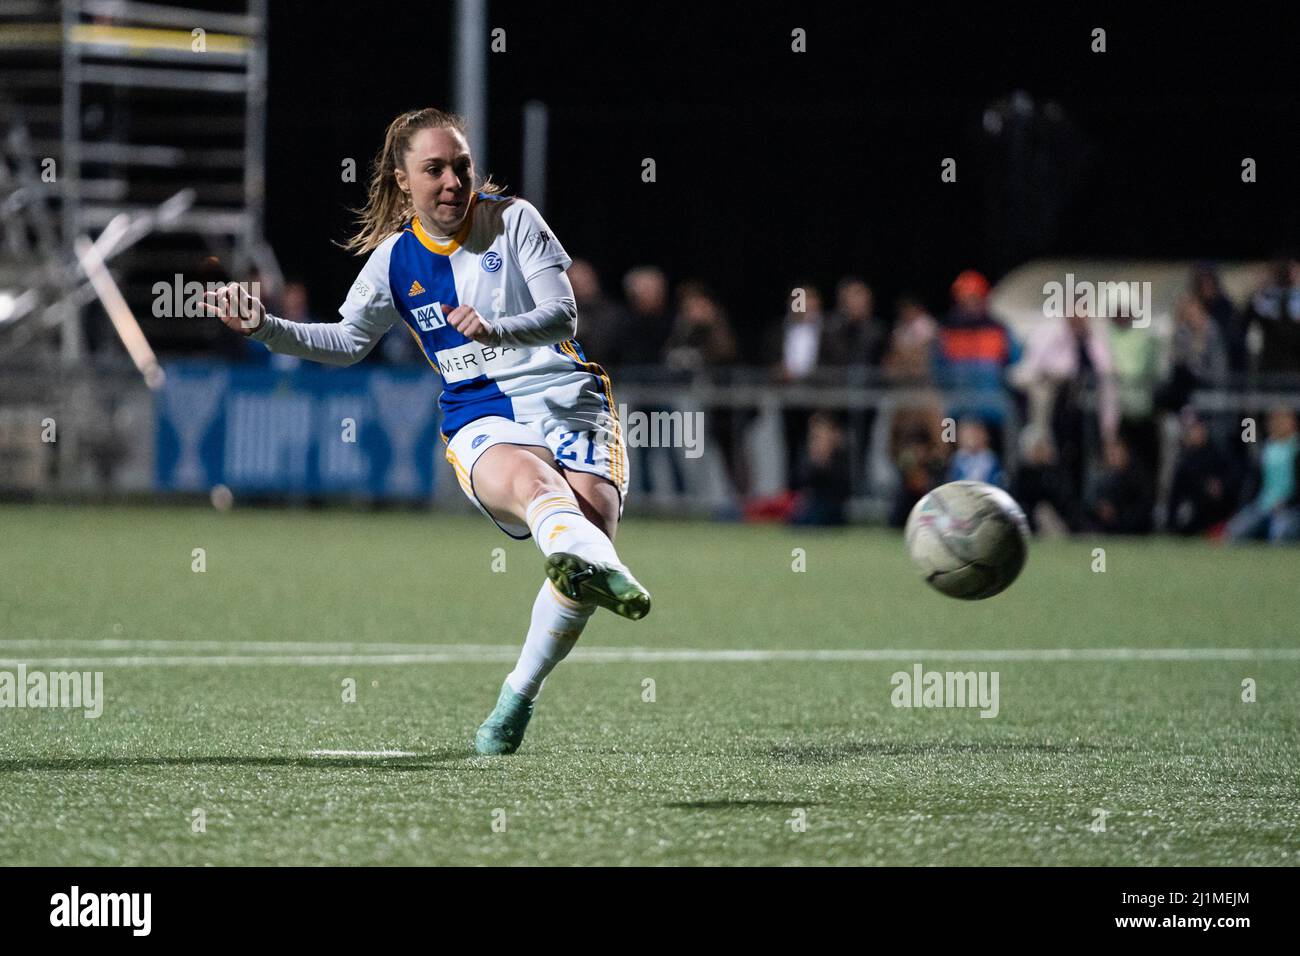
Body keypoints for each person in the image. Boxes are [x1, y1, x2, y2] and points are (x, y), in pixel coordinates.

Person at [203, 107, 651, 756]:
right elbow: (348, 340)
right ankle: (603, 568)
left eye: (460, 167)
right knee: (533, 486)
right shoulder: (395, 262)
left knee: (584, 535)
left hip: (571, 403)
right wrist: (267, 327)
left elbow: (563, 313)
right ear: (401, 180)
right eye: (434, 169)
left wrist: (501, 329)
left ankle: (518, 693)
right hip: (480, 415)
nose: (450, 181)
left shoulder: (514, 221)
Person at [1225, 407, 1300, 543]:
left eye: (1283, 419)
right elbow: (1255, 481)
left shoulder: (1296, 448)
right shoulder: (1266, 449)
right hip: (1263, 505)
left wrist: (1288, 502)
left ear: (1293, 422)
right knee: (1234, 532)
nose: (1278, 423)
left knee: (1282, 536)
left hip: (1290, 508)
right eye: (1275, 420)